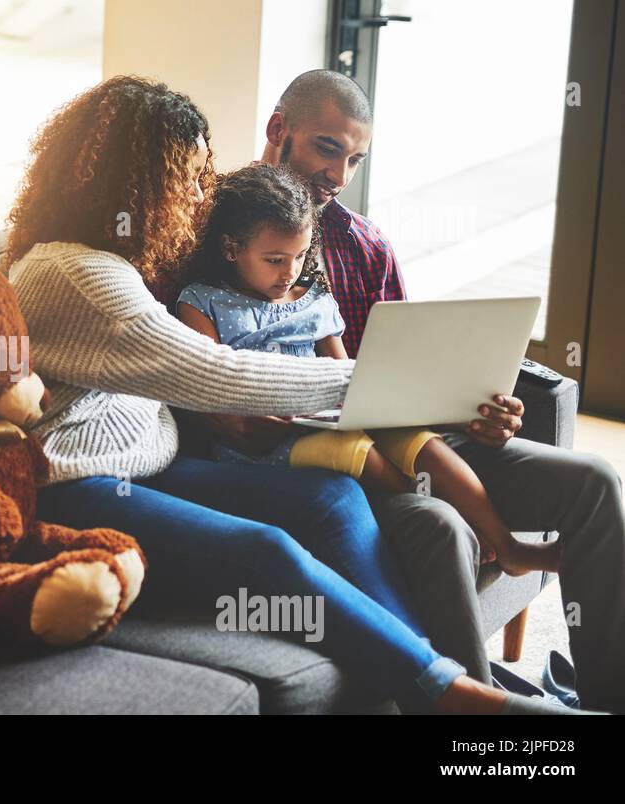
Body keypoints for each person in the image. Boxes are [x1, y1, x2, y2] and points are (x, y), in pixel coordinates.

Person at [5, 74, 570, 714]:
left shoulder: (120, 258)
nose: (200, 193)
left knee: (332, 497)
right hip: (77, 486)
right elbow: (217, 374)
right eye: (187, 176)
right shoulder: (77, 274)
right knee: (267, 548)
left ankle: (437, 679)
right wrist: (391, 386)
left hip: (148, 467)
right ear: (134, 180)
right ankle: (451, 694)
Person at [190, 68, 622, 711]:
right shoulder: (215, 231)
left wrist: (477, 410)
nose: (339, 177)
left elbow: (406, 374)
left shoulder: (365, 247)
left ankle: (607, 700)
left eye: (355, 159)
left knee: (596, 481)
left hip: (416, 436)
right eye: (326, 148)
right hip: (330, 457)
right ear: (278, 131)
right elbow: (203, 376)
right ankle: (486, 728)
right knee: (439, 522)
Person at [176, 162, 562, 577]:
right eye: (273, 259)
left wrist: (376, 408)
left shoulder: (313, 299)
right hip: (260, 438)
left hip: (323, 417)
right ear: (232, 248)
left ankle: (507, 546)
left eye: (300, 255)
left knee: (420, 442)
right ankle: (453, 518)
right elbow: (208, 383)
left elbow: (347, 377)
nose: (288, 272)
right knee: (352, 450)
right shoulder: (201, 302)